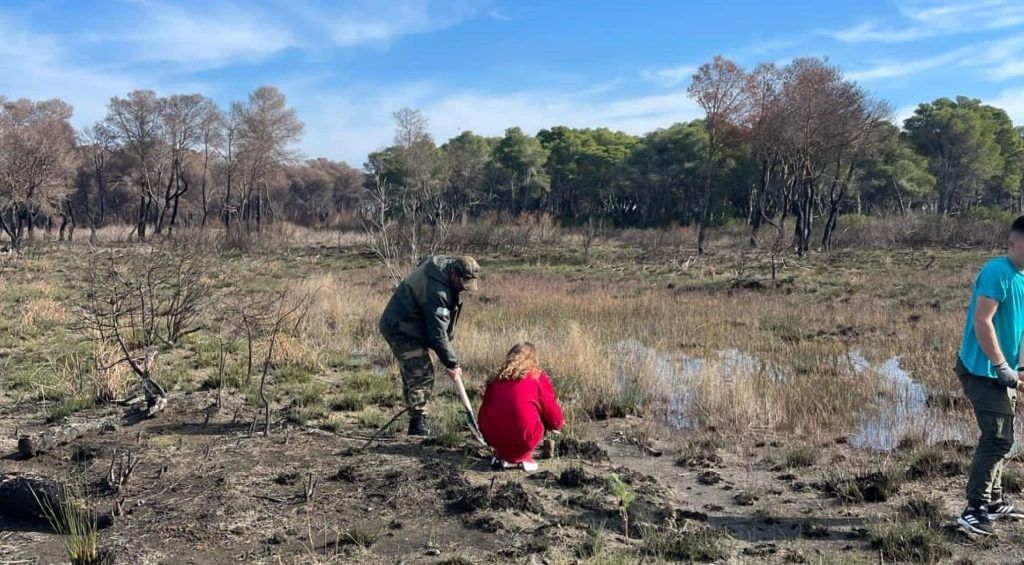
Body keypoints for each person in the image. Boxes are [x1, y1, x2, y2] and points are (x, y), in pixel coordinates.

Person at [956, 216, 1024, 535]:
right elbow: (982, 322)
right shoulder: (998, 272)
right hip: (982, 371)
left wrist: (1019, 369)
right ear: (1012, 243)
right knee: (997, 438)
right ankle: (974, 508)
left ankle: (994, 501)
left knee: (1003, 437)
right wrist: (1000, 366)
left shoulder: (1023, 278)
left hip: (1005, 372)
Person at [379, 255, 480, 437]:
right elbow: (437, 333)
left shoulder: (441, 266)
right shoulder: (437, 292)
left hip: (411, 324)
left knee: (415, 372)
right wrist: (452, 364)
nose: (464, 288)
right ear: (453, 273)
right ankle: (418, 424)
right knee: (421, 373)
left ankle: (416, 416)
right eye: (462, 282)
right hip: (400, 328)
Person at [478, 342, 564, 472]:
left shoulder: (496, 378)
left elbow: (483, 412)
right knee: (538, 414)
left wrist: (486, 433)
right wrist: (557, 424)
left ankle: (501, 456)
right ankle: (524, 457)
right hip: (524, 439)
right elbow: (552, 413)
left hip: (495, 437)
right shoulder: (537, 377)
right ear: (533, 359)